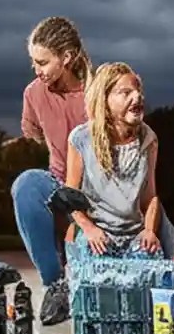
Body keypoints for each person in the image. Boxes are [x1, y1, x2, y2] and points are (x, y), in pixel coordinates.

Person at [7, 18, 174, 325]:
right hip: (64, 179)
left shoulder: (104, 88)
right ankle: (55, 283)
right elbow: (33, 134)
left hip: (110, 183)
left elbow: (139, 173)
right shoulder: (34, 93)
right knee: (27, 185)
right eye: (34, 62)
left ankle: (158, 284)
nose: (37, 69)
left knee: (159, 227)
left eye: (43, 62)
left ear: (67, 58)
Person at [63, 62, 168, 267]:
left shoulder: (149, 140)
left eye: (138, 91)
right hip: (95, 231)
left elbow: (150, 197)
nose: (137, 97)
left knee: (151, 269)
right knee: (100, 273)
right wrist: (90, 230)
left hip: (133, 234)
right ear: (104, 100)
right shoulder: (81, 139)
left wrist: (149, 230)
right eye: (125, 92)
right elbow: (70, 199)